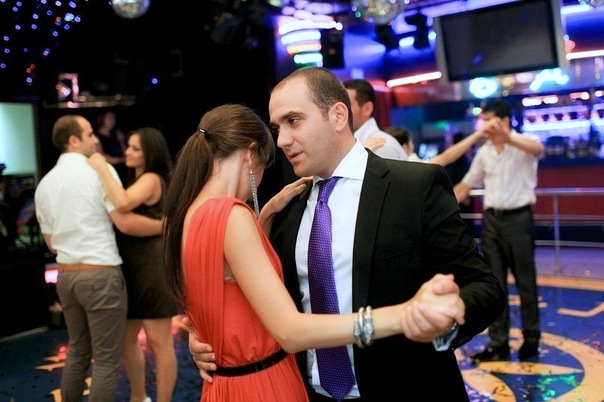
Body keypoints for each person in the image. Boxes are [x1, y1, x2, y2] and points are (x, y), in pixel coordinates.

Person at [188, 68, 506, 401]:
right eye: (277, 128)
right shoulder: (287, 208)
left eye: (294, 121)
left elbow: (484, 287)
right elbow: (268, 306)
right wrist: (209, 340)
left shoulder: (413, 187)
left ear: (338, 115)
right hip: (309, 393)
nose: (281, 141)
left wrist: (445, 317)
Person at [34, 114, 164, 402]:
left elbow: (51, 243)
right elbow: (124, 222)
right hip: (100, 274)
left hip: (66, 276)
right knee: (106, 360)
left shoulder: (45, 184)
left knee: (78, 351)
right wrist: (166, 226)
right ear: (73, 140)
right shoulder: (99, 171)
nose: (95, 140)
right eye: (90, 134)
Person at [88, 127, 179, 402]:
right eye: (128, 146)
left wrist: (101, 165)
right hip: (130, 268)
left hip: (150, 269)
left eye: (135, 148)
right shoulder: (136, 180)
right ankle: (138, 397)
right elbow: (125, 221)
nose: (127, 152)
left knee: (159, 342)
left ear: (150, 153)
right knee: (127, 340)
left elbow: (123, 203)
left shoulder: (151, 178)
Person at [454, 100, 545, 363]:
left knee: (526, 282)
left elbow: (539, 150)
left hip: (519, 219)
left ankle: (531, 340)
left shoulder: (524, 143)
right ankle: (498, 343)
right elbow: (466, 185)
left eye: (489, 120)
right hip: (491, 221)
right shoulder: (484, 153)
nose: (484, 126)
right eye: (483, 121)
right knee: (495, 284)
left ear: (504, 121)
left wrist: (507, 137)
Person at [342, 79, 407, 161]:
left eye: (346, 106)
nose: (340, 112)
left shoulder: (382, 146)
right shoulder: (351, 143)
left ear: (367, 109)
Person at [96, 110, 127, 177]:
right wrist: (119, 160)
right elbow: (101, 155)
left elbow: (125, 153)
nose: (113, 121)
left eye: (113, 118)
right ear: (102, 119)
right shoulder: (96, 137)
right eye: (110, 118)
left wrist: (121, 141)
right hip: (109, 169)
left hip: (122, 168)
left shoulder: (116, 134)